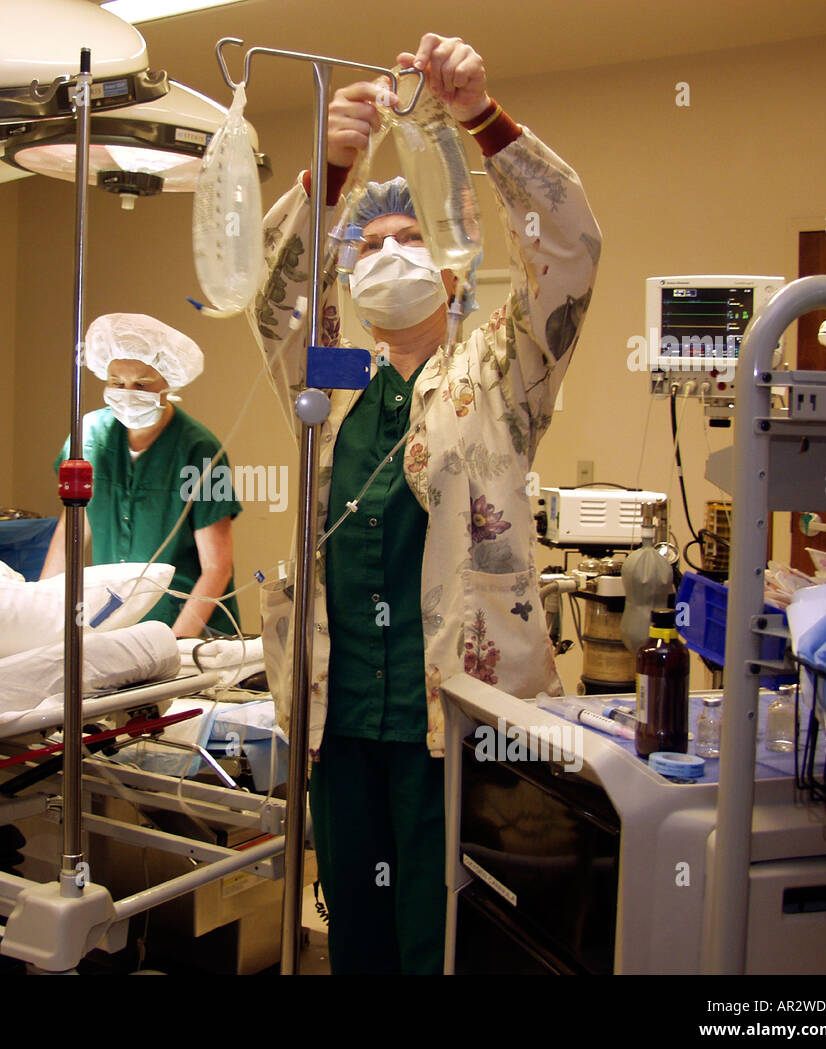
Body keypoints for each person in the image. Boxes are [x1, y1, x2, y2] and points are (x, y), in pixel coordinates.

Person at [256, 35, 601, 973]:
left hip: (455, 721)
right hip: (341, 721)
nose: (391, 252)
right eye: (369, 244)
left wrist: (480, 120)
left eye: (411, 238)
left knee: (458, 937)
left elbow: (571, 254)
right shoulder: (324, 379)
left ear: (452, 266)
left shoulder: (498, 368)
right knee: (360, 938)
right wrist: (332, 171)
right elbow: (276, 296)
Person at [40, 313, 241, 638]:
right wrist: (40, 610)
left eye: (143, 384)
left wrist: (174, 645)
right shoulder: (87, 437)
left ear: (168, 381)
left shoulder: (201, 450)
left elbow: (217, 568)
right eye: (117, 383)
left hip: (185, 627)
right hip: (113, 622)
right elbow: (71, 536)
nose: (128, 392)